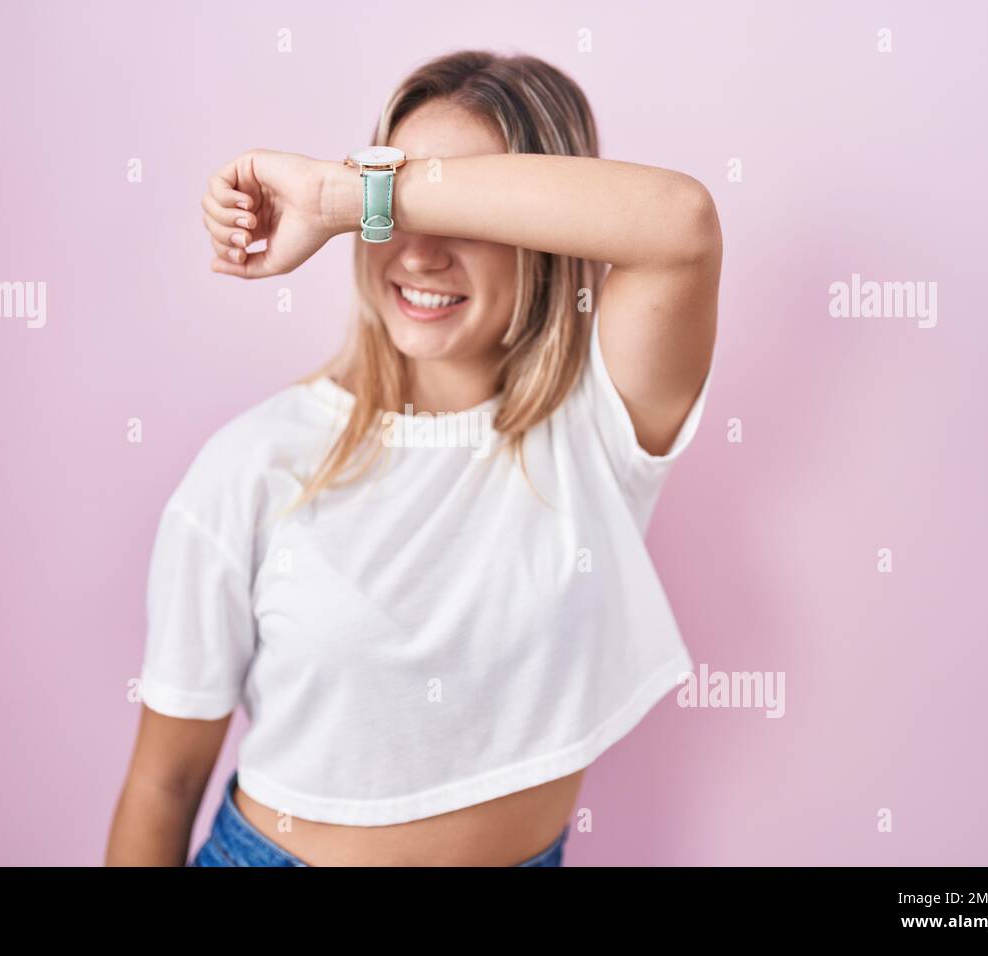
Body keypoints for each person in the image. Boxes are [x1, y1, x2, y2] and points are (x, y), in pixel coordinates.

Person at [106, 50, 720, 867]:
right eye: (389, 202)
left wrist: (341, 193)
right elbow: (163, 785)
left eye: (468, 208)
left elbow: (681, 226)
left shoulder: (595, 432)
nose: (419, 254)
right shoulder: (254, 463)